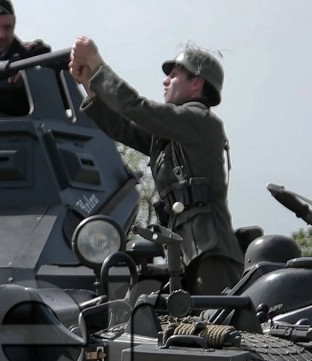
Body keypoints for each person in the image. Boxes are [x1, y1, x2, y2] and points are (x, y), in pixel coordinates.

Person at [69, 38, 244, 295]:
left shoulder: (200, 121)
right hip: (186, 253)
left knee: (220, 325)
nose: (165, 81)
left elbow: (137, 108)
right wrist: (90, 85)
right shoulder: (174, 133)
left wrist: (98, 67)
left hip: (211, 255)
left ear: (196, 82)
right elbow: (124, 128)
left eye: (174, 76)